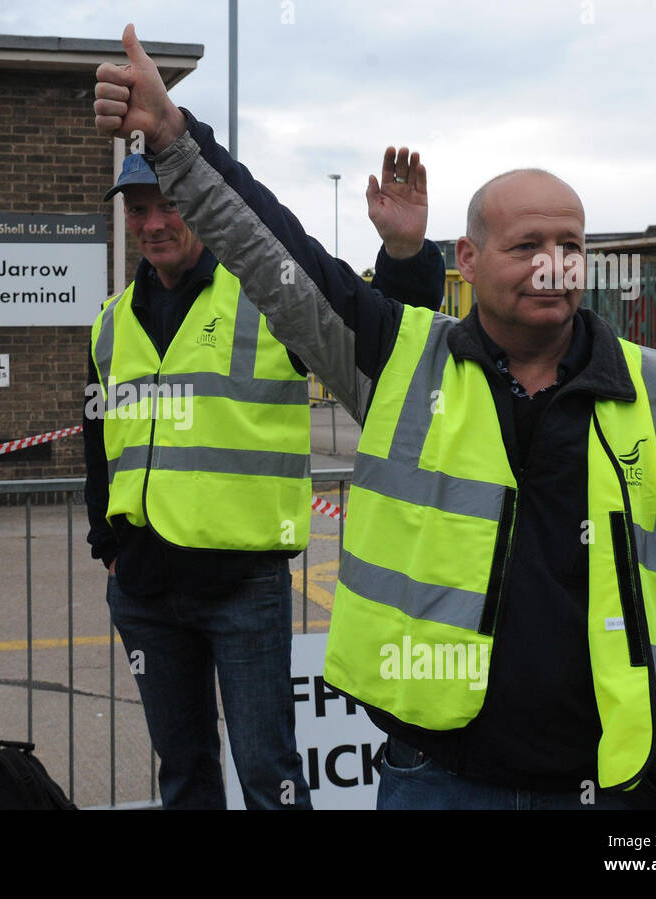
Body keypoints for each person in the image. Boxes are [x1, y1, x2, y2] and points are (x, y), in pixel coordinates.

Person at [94, 25, 656, 810]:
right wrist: (175, 139)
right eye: (527, 244)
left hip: (608, 786)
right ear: (467, 261)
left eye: (571, 244)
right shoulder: (402, 359)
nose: (554, 263)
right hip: (433, 779)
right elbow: (276, 253)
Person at [83, 147, 445, 809]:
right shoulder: (111, 322)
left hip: (241, 587)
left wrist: (403, 256)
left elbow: (384, 344)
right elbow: (98, 442)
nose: (154, 221)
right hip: (144, 590)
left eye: (169, 203)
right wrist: (106, 546)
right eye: (140, 209)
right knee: (184, 778)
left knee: (267, 776)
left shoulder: (266, 294)